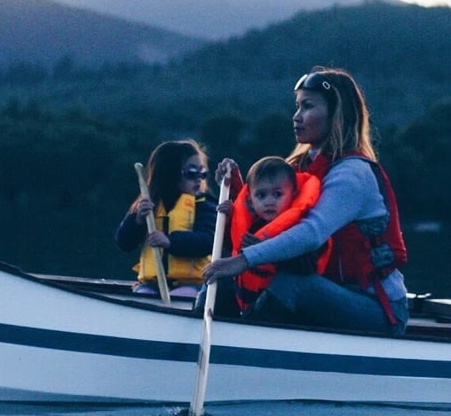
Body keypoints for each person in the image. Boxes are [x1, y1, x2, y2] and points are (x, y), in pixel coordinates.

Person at [203, 67, 409, 336]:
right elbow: (271, 217)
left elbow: (312, 232)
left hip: (377, 310)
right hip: (327, 297)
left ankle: (242, 341)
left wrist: (245, 259)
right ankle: (197, 335)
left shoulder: (353, 174)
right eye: (297, 107)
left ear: (336, 114)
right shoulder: (302, 167)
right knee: (224, 278)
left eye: (307, 107)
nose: (296, 117)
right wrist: (234, 188)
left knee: (293, 283)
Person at [221, 155, 329, 315]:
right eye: (261, 195)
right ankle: (202, 316)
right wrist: (227, 222)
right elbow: (230, 248)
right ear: (250, 200)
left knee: (288, 282)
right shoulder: (253, 226)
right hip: (246, 304)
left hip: (288, 311)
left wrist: (264, 252)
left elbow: (306, 268)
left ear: (293, 195)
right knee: (218, 271)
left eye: (277, 194)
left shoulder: (302, 229)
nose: (269, 202)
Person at [114, 139, 218, 301]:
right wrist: (138, 221)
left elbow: (208, 241)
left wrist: (170, 242)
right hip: (152, 284)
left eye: (202, 173)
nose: (199, 179)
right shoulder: (150, 204)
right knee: (143, 296)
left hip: (193, 284)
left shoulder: (205, 206)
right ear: (170, 174)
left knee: (180, 296)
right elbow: (124, 243)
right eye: (191, 173)